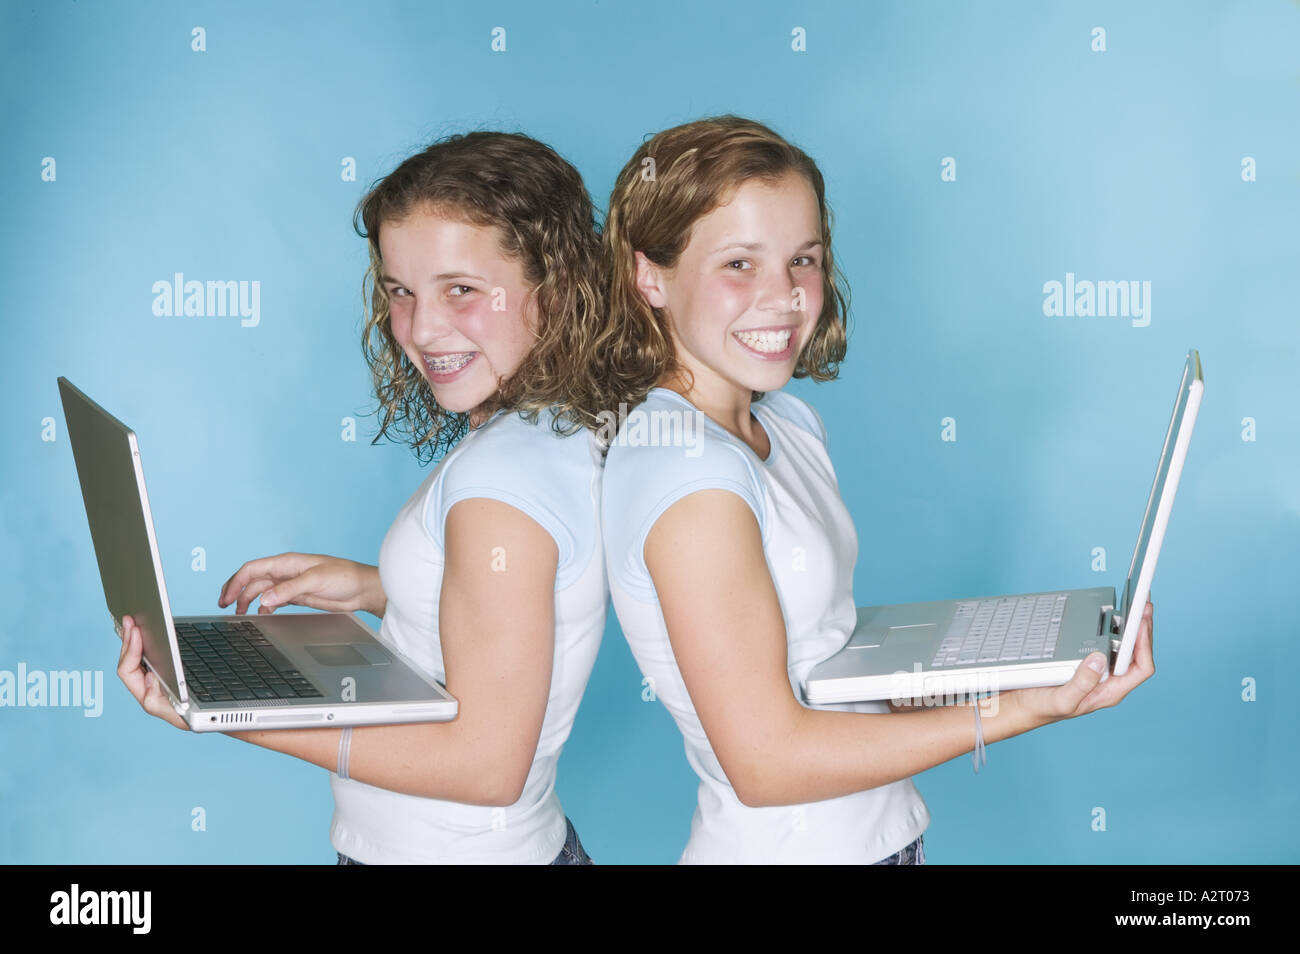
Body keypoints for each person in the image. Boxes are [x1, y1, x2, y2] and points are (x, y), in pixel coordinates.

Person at [598, 115, 1156, 864]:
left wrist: (996, 663)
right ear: (649, 276)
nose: (786, 297)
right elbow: (766, 763)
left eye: (803, 260)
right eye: (739, 264)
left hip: (878, 842)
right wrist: (1014, 710)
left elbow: (822, 664)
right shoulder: (686, 476)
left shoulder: (787, 425)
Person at [117, 130, 614, 864]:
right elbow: (521, 606)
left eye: (462, 291)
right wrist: (375, 587)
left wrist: (219, 710)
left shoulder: (501, 484)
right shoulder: (553, 431)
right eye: (400, 292)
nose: (420, 329)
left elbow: (487, 766)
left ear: (554, 286)